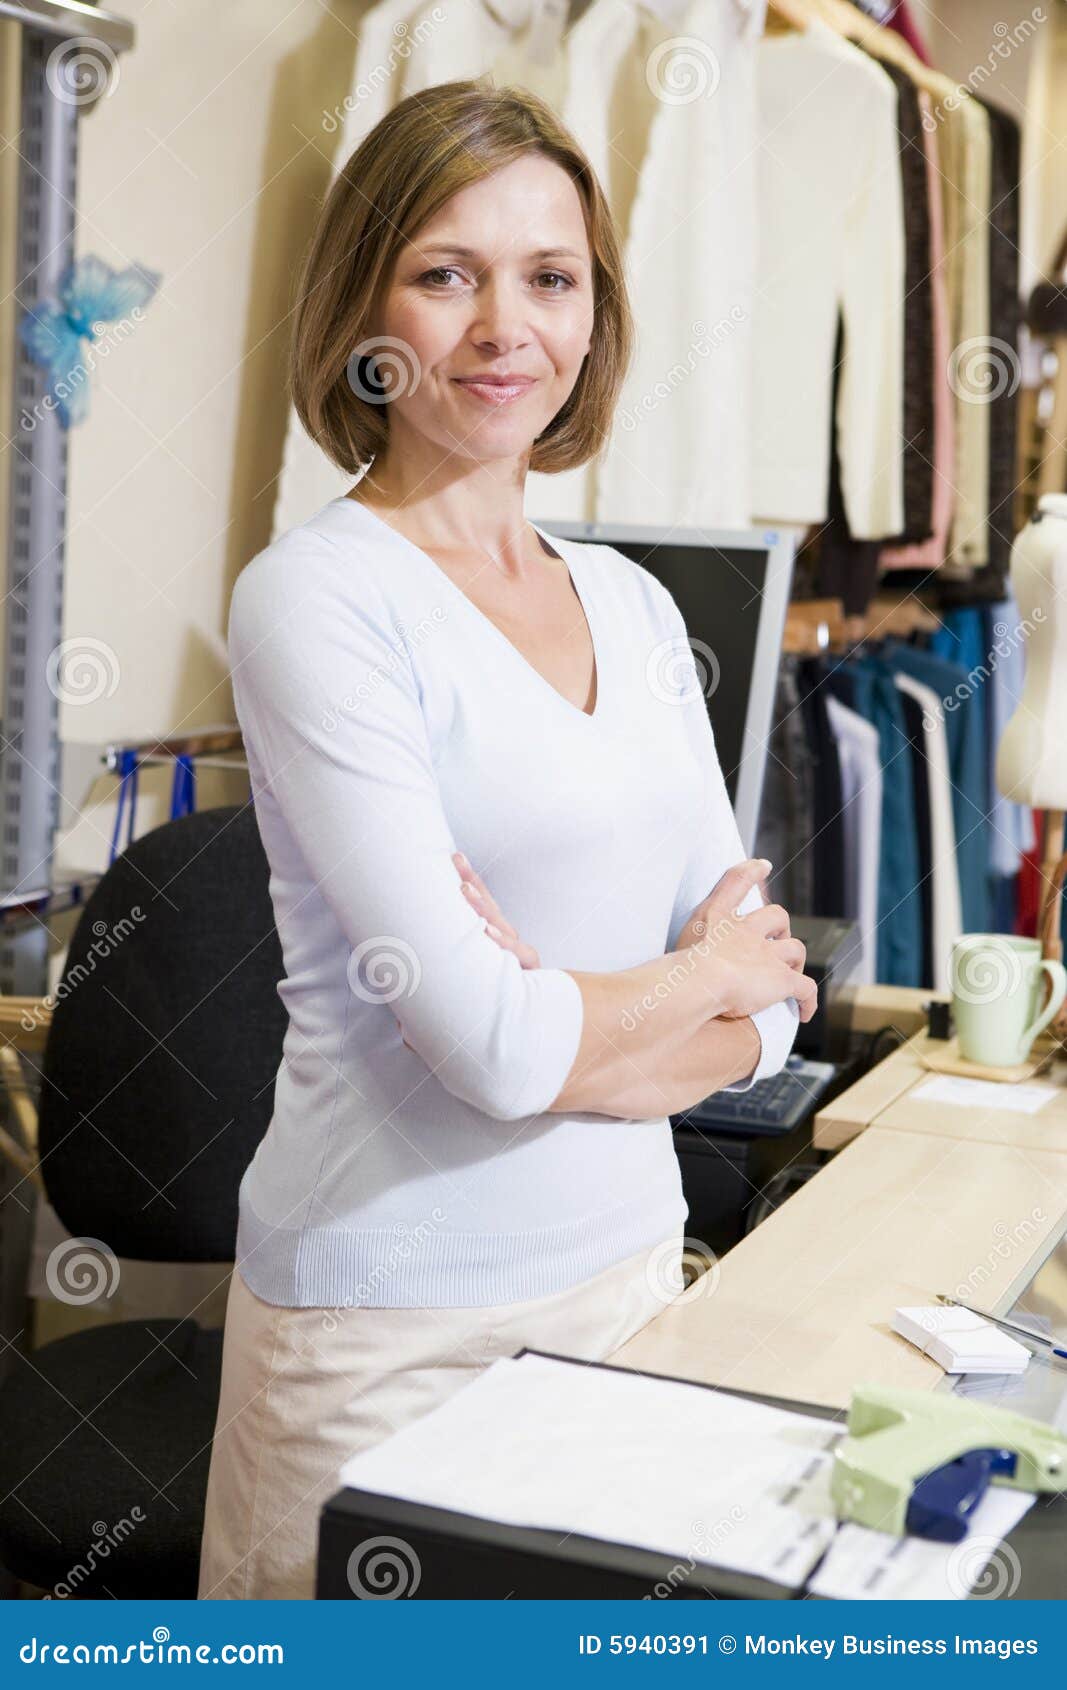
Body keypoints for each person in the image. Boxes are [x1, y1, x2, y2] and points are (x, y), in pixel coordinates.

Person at [197, 77, 816, 1601]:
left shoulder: (637, 605)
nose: (503, 326)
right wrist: (678, 988)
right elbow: (491, 1047)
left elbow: (776, 987)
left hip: (626, 1283)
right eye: (444, 271)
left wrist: (614, 1004)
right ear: (365, 308)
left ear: (594, 316)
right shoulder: (318, 598)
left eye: (549, 278)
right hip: (388, 1334)